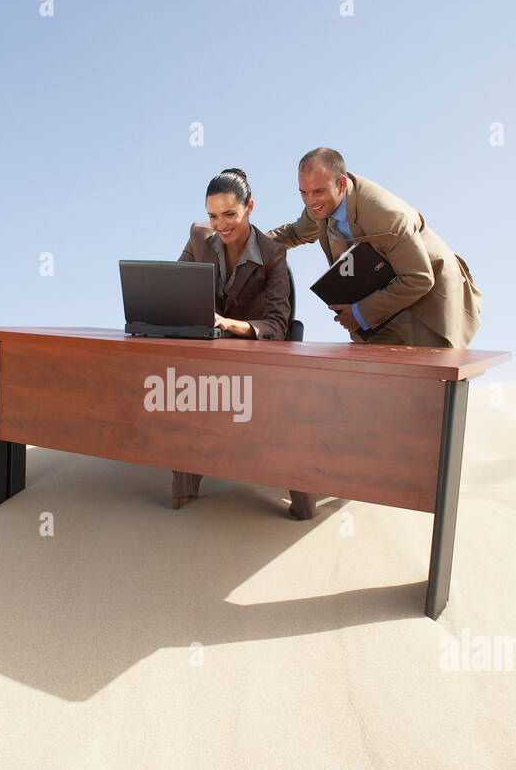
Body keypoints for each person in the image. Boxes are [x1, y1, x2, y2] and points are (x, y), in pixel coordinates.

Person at [171, 168, 318, 520]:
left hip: (258, 363)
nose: (220, 225)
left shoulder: (273, 255)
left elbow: (278, 325)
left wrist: (229, 324)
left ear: (249, 207)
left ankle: (300, 497)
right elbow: (177, 288)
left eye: (229, 214)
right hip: (208, 357)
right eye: (212, 215)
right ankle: (184, 483)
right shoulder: (198, 238)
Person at [265, 147, 482, 348]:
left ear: (341, 184)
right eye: (303, 192)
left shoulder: (386, 215)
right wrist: (246, 244)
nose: (310, 201)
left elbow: (420, 278)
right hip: (384, 299)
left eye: (318, 192)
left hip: (429, 301)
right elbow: (294, 233)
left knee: (427, 382)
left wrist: (359, 313)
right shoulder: (321, 206)